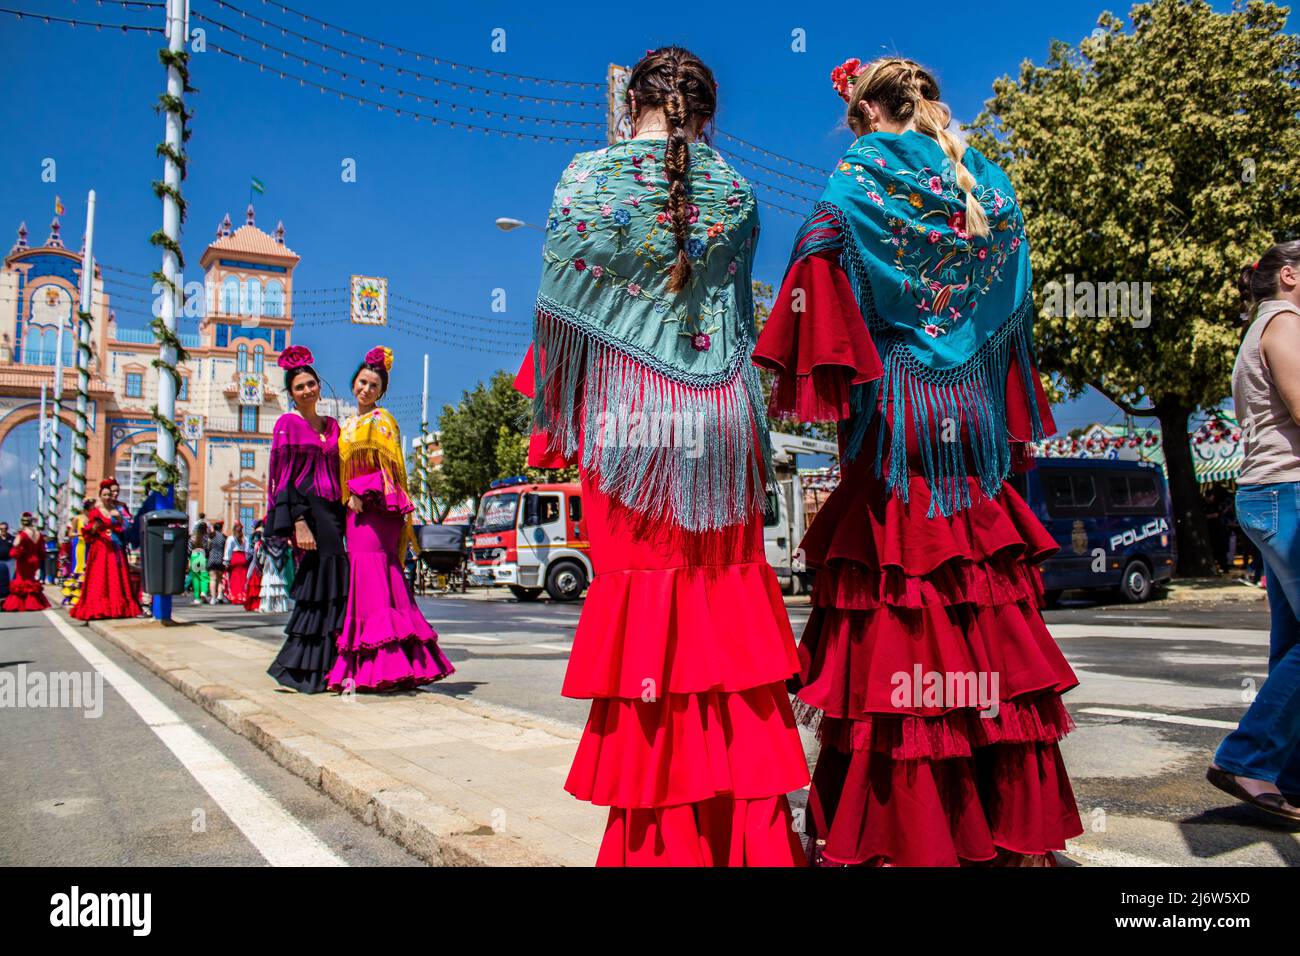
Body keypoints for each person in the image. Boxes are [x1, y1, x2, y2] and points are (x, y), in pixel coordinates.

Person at [752, 56, 1082, 866]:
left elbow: (812, 257)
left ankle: (909, 832)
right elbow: (1013, 295)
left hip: (894, 425)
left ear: (862, 116)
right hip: (969, 423)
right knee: (981, 602)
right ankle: (1005, 831)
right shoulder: (987, 181)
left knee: (901, 608)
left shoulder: (861, 173)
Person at [517, 47, 809, 866]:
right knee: (731, 642)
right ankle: (753, 843)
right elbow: (732, 322)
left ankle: (663, 850)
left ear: (631, 105)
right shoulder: (739, 194)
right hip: (723, 430)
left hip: (630, 433)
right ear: (709, 115)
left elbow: (559, 322)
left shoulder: (586, 179)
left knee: (655, 641)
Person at [1209, 240, 1300, 823]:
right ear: (1290, 276)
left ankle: (1283, 775)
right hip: (1287, 494)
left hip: (1274, 494)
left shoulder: (1269, 324)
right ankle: (1247, 757)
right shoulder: (1286, 322)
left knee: (1292, 644)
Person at [326, 348, 453, 692]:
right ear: (354, 383)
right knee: (367, 581)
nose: (366, 389)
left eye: (374, 385)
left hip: (377, 513)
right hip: (355, 516)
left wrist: (356, 491)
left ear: (382, 391)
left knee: (378, 578)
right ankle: (380, 666)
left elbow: (391, 476)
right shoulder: (347, 425)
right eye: (363, 382)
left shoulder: (383, 421)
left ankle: (388, 665)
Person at [266, 346, 348, 693]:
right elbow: (283, 479)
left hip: (335, 512)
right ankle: (303, 669)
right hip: (309, 513)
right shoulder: (287, 424)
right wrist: (298, 522)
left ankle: (325, 667)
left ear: (319, 385)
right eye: (299, 387)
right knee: (320, 588)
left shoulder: (332, 426)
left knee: (332, 588)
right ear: (291, 393)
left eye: (310, 384)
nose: (306, 391)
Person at [71, 478, 142, 621]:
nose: (112, 495)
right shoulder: (96, 511)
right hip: (100, 548)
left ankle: (117, 607)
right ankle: (98, 607)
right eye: (109, 493)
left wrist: (120, 519)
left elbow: (126, 527)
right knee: (99, 577)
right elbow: (88, 529)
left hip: (116, 547)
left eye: (115, 492)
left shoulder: (120, 508)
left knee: (116, 578)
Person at [3, 513, 50, 611]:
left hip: (24, 560)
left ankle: (22, 604)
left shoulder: (23, 533)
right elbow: (41, 549)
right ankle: (33, 602)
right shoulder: (38, 534)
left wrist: (18, 537)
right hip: (34, 560)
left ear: (22, 523)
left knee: (21, 581)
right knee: (31, 581)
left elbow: (16, 544)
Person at [224, 522, 249, 604]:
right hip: (243, 558)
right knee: (243, 578)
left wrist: (226, 561)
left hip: (235, 558)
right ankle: (243, 596)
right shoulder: (245, 538)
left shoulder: (231, 538)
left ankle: (235, 596)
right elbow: (248, 551)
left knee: (234, 579)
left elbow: (228, 550)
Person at [244, 520, 264, 611]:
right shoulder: (260, 536)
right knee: (257, 584)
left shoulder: (253, 536)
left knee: (255, 583)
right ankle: (257, 604)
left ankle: (255, 605)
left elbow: (248, 551)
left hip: (255, 561)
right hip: (259, 562)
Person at [206, 520, 227, 604]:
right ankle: (220, 595)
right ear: (221, 528)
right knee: (220, 579)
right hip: (221, 559)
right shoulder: (224, 537)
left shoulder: (211, 536)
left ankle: (213, 598)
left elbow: (207, 547)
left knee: (213, 579)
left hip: (212, 559)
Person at [188, 528, 209, 603]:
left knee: (195, 578)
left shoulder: (192, 539)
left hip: (194, 556)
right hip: (202, 555)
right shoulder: (206, 538)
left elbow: (189, 550)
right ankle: (203, 592)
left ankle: (197, 598)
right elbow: (207, 549)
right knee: (204, 577)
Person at [0, 520, 13, 599]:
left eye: (5, 529)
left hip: (10, 561)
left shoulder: (12, 538)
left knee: (10, 579)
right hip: (0, 561)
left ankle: (9, 596)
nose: (3, 530)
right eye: (1, 529)